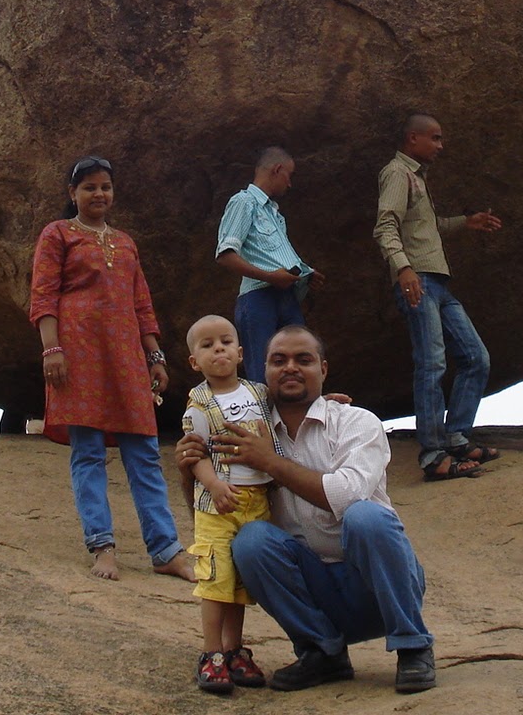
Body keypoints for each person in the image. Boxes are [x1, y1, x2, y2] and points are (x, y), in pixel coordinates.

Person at [178, 325, 440, 695]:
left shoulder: (355, 421)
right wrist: (189, 471)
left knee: (366, 516)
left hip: (377, 589)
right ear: (262, 372)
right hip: (312, 593)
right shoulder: (248, 431)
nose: (290, 369)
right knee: (249, 541)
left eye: (304, 360)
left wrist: (270, 463)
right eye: (278, 360)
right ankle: (323, 652)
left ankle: (413, 645)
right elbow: (214, 522)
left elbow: (347, 497)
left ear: (324, 369)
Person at [30, 155, 197, 581]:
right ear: (73, 194)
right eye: (88, 187)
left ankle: (165, 550)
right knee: (88, 452)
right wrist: (52, 350)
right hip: (78, 355)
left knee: (142, 452)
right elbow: (44, 294)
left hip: (125, 358)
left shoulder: (124, 242)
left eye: (105, 186)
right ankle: (101, 545)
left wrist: (155, 355)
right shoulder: (58, 234)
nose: (98, 194)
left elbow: (140, 303)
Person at [374, 113, 502, 480]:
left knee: (476, 357)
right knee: (432, 363)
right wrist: (403, 269)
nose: (441, 146)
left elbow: (431, 227)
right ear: (413, 139)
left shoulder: (418, 179)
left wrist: (468, 222)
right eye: (436, 138)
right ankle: (433, 455)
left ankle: (457, 437)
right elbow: (385, 225)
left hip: (438, 283)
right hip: (418, 280)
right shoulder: (397, 173)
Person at [180, 314, 275, 693]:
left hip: (257, 499)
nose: (217, 348)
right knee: (215, 577)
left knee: (239, 580)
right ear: (194, 362)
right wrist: (214, 484)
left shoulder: (259, 394)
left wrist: (327, 403)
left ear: (239, 352)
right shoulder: (198, 407)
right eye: (207, 345)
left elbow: (286, 420)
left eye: (224, 342)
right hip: (218, 504)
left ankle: (235, 649)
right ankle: (211, 652)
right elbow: (196, 455)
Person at [214, 147, 325, 381]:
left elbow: (272, 255)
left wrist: (305, 273)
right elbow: (225, 254)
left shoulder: (274, 213)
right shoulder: (244, 202)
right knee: (263, 374)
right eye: (289, 175)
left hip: (286, 297)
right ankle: (264, 419)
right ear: (277, 169)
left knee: (301, 366)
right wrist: (270, 277)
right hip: (258, 298)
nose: (290, 183)